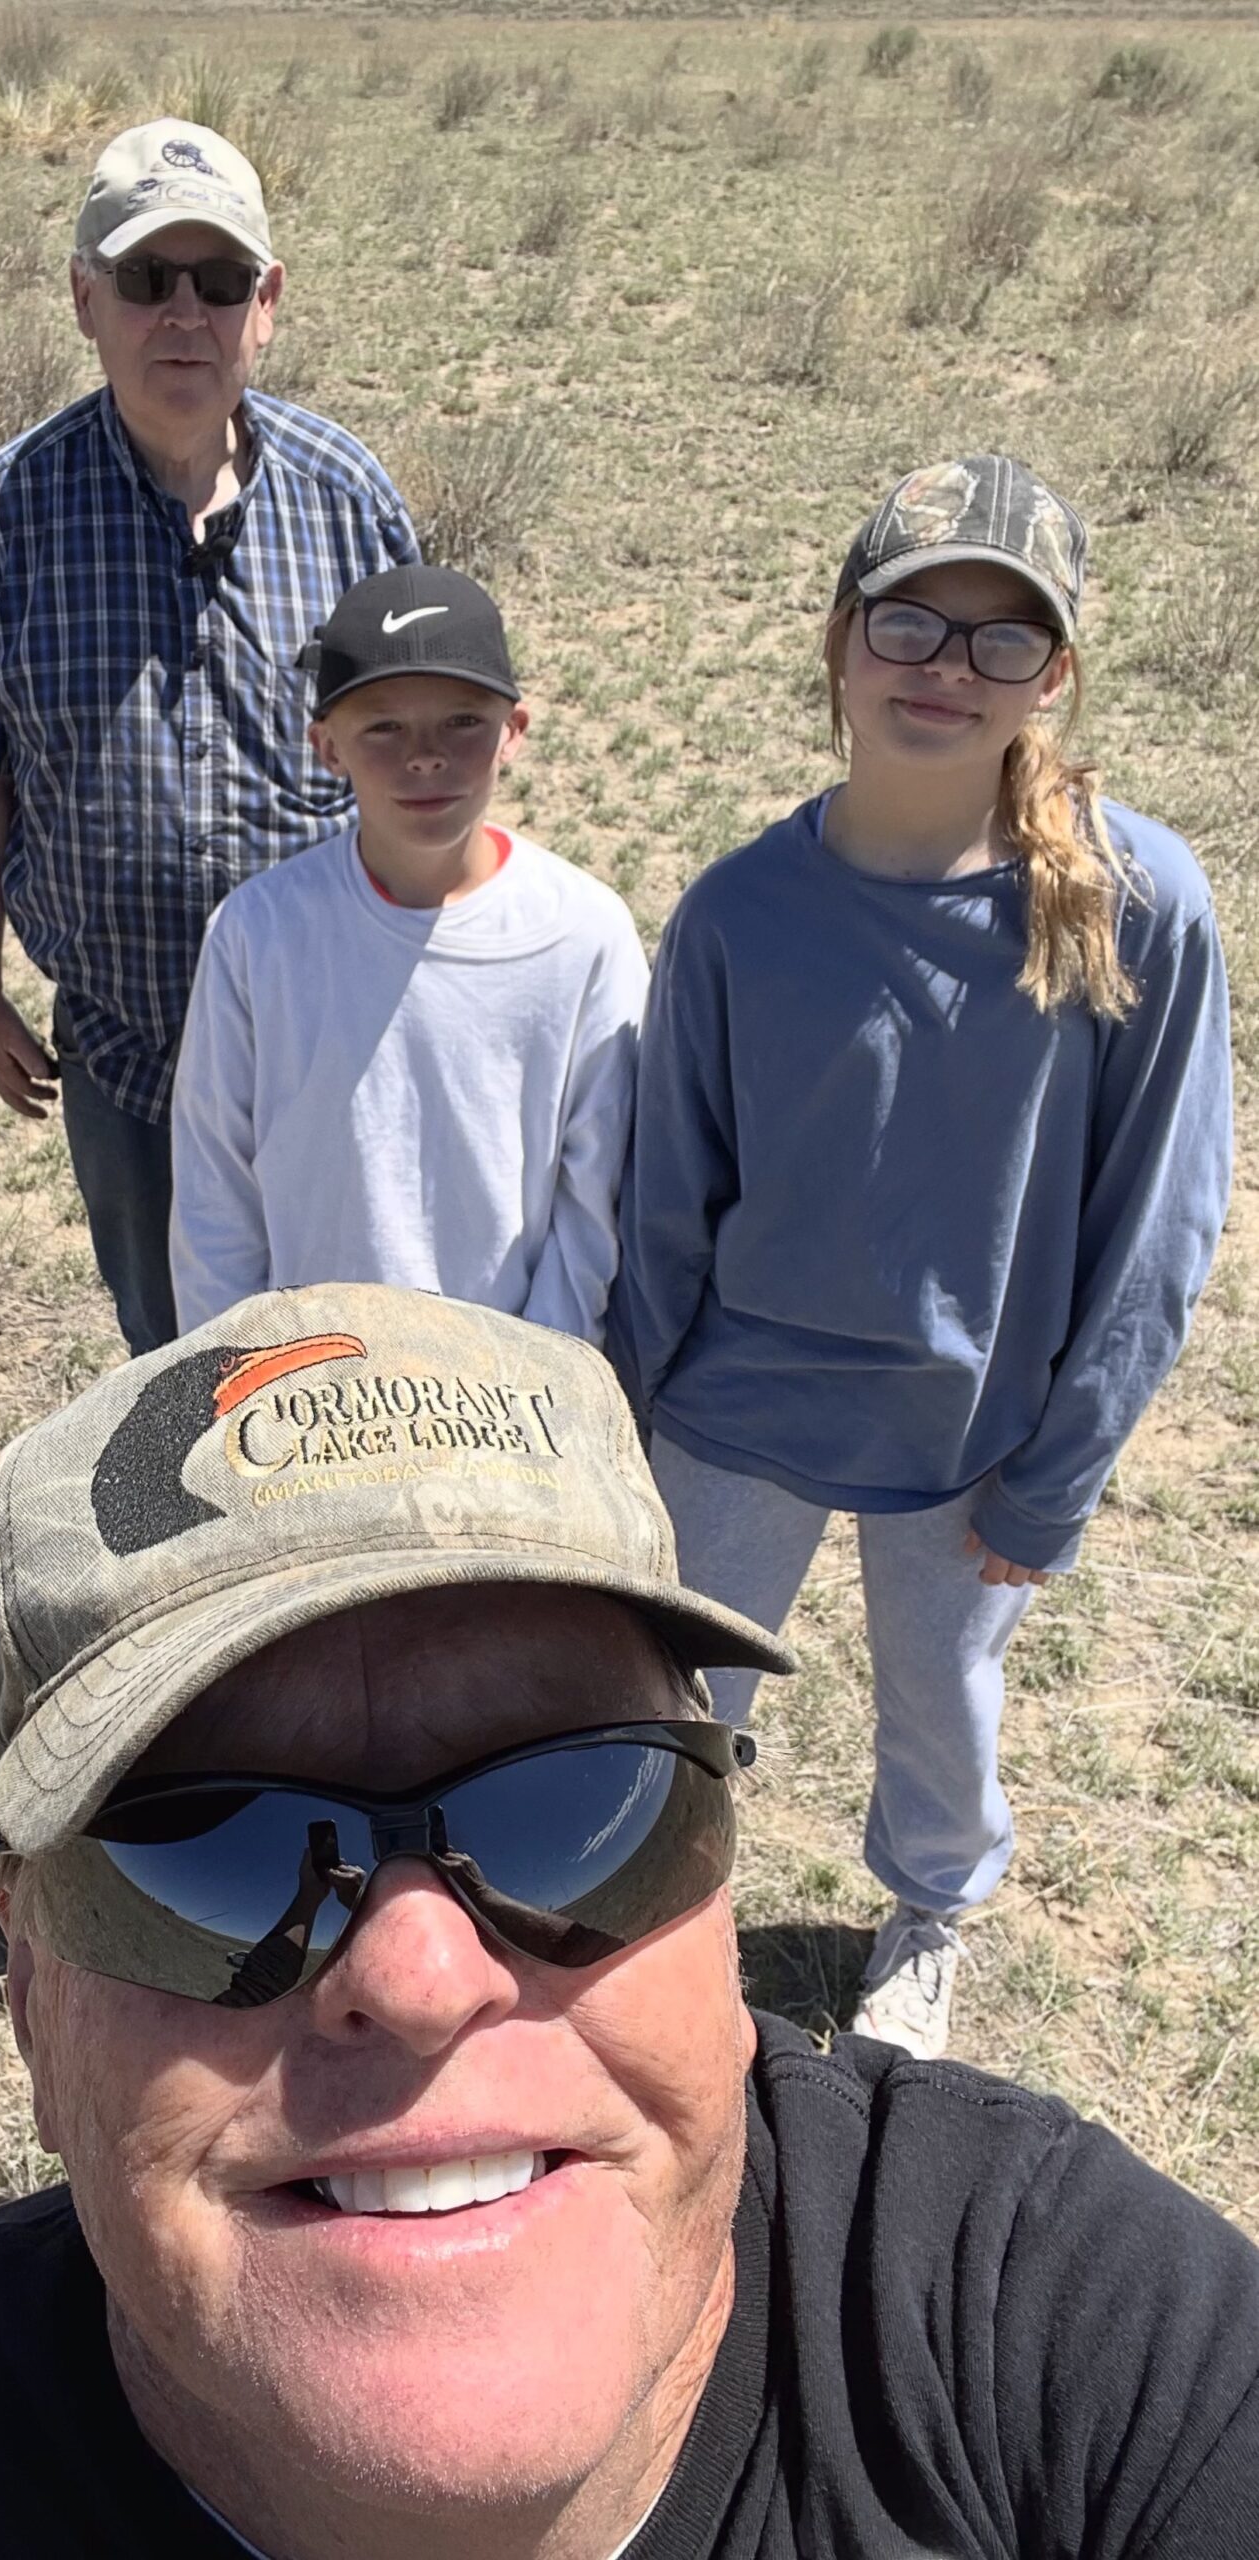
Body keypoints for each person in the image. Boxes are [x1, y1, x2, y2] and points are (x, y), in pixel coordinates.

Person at [0, 1286, 1259, 2559]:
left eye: (574, 1805)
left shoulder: (1047, 2332)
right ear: (30, 1992)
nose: (414, 1978)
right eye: (216, 1850)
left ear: (716, 1879)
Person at [609, 455, 1233, 2060]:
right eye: (906, 622)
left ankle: (929, 1914)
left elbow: (1155, 1227)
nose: (945, 667)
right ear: (836, 640)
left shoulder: (1132, 904)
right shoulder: (740, 910)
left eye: (999, 637)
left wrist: (1057, 1474)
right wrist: (621, 1410)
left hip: (971, 1433)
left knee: (944, 1711)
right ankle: (641, 1906)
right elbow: (669, 1197)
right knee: (663, 1705)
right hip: (736, 1407)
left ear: (1054, 674)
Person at [0, 119, 418, 1355]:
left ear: (266, 304)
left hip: (331, 1038)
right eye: (146, 278)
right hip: (126, 1055)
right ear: (87, 298)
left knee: (353, 1345)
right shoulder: (9, 513)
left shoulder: (347, 499)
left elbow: (427, 758)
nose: (185, 314)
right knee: (180, 1361)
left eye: (219, 280)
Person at [169, 564, 647, 1340]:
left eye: (462, 721)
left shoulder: (584, 933)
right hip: (307, 1382)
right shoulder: (258, 932)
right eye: (383, 728)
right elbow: (214, 1192)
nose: (425, 756)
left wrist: (543, 1376)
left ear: (514, 732)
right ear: (327, 747)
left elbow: (594, 1202)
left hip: (509, 1386)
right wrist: (235, 1373)